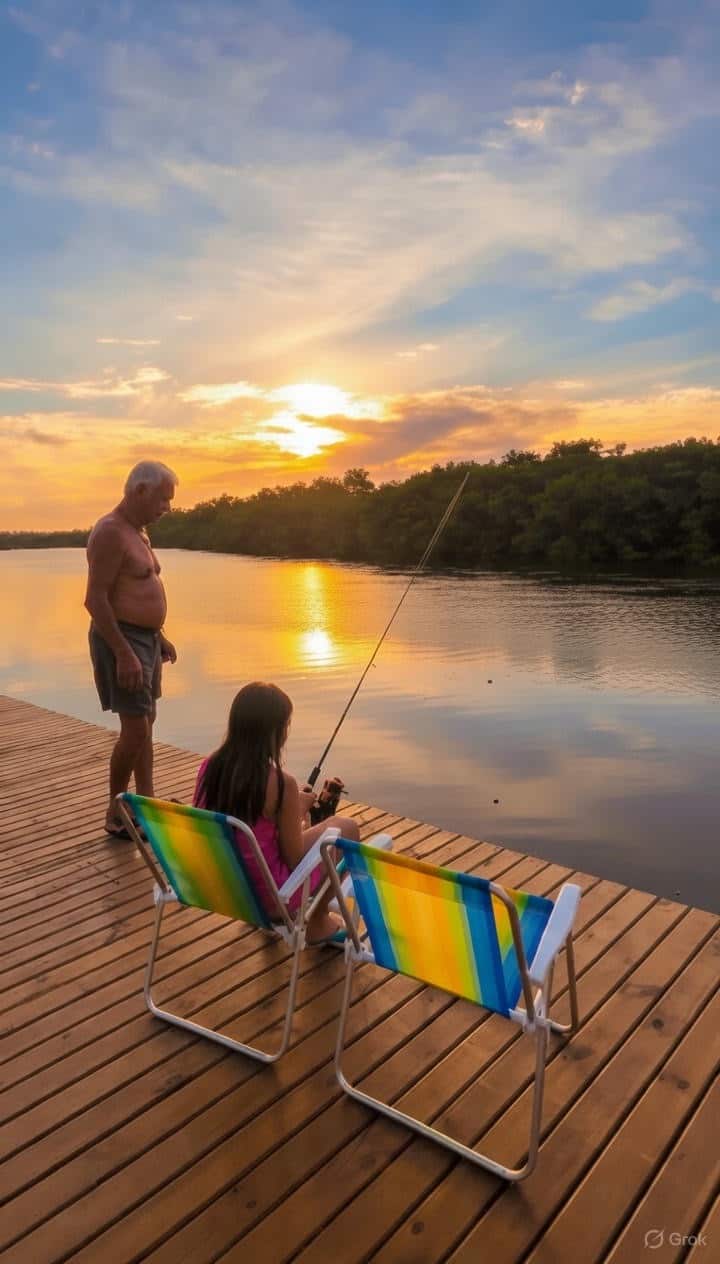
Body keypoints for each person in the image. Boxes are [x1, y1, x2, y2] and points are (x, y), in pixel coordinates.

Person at [193, 682, 359, 945]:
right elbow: (293, 860)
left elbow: (244, 828)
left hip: (223, 887)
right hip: (270, 900)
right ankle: (316, 922)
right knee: (346, 828)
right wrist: (297, 810)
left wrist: (293, 809)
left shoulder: (209, 766)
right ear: (274, 732)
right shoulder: (281, 783)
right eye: (285, 725)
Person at [85, 460, 178, 839]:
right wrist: (123, 652)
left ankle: (146, 803)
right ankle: (116, 811)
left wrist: (159, 635)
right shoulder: (109, 532)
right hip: (120, 640)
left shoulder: (137, 532)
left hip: (145, 640)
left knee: (146, 724)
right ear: (140, 490)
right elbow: (95, 600)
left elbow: (135, 590)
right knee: (135, 729)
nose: (167, 508)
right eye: (163, 499)